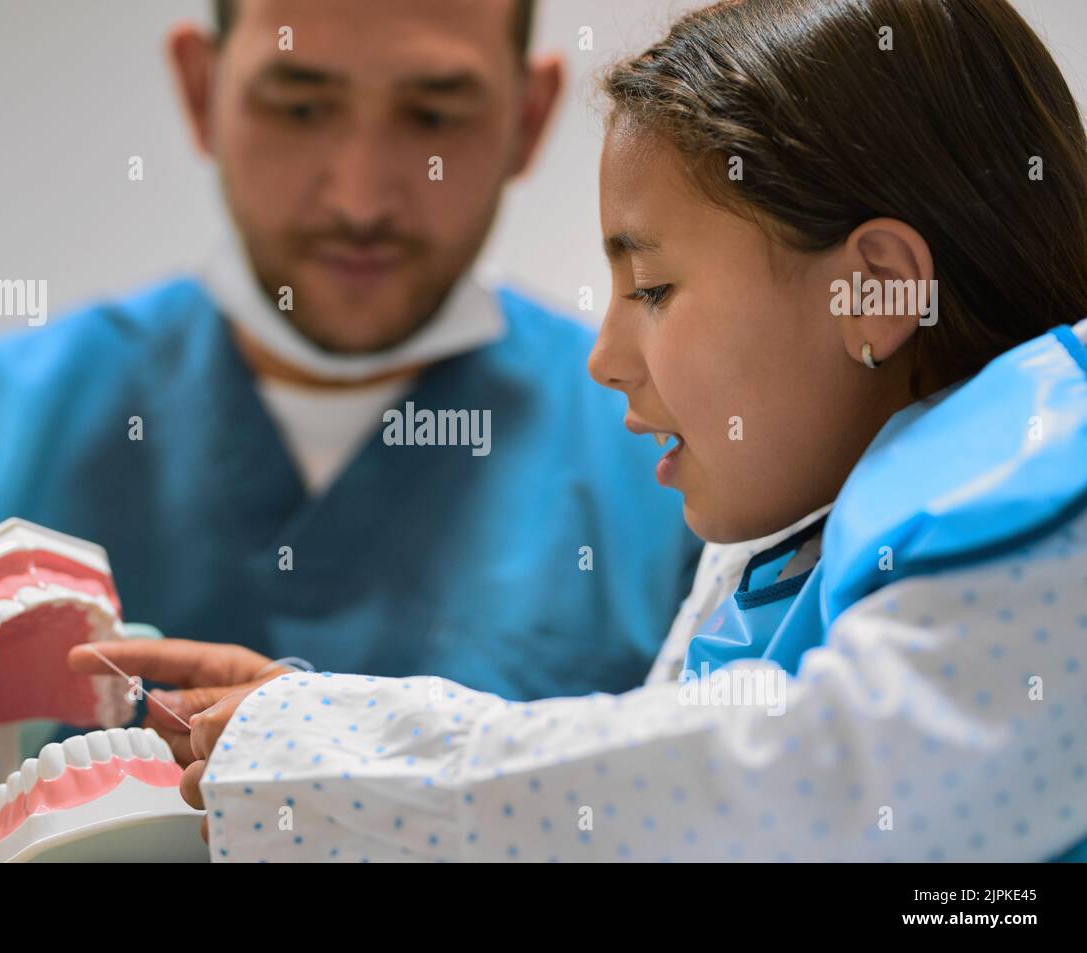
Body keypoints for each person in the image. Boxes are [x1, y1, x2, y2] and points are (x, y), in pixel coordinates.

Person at [80, 0, 1087, 861]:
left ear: (874, 289)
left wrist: (346, 761)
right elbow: (641, 791)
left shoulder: (1060, 492)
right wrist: (320, 734)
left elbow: (798, 791)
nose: (602, 354)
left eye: (651, 287)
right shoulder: (773, 549)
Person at [0, 0, 701, 861]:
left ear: (530, 117)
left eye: (432, 116)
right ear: (201, 88)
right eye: (301, 105)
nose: (360, 195)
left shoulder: (681, 455)